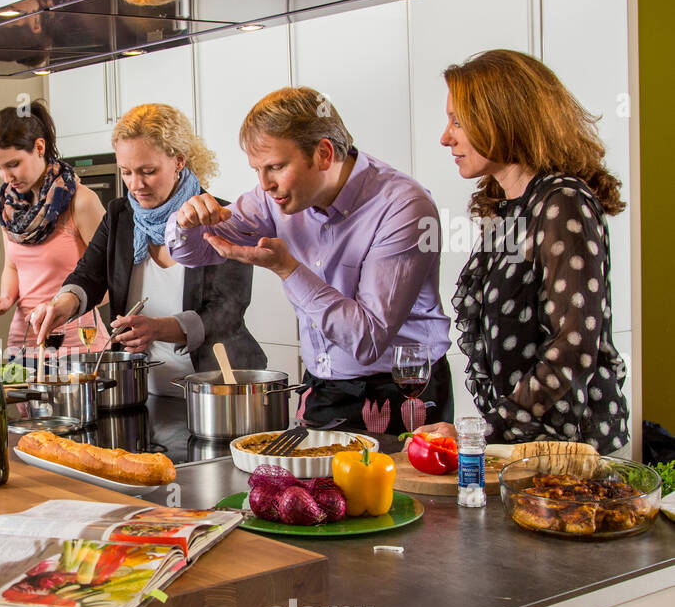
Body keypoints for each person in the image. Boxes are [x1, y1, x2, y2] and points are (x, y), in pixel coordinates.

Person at [165, 87, 452, 434]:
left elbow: (368, 339)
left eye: (275, 167)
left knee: (398, 490)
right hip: (323, 387)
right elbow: (195, 252)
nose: (265, 184)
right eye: (257, 170)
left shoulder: (404, 207)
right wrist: (184, 220)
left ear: (324, 154)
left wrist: (287, 269)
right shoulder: (274, 197)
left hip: (401, 392)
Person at [433, 49, 628, 450]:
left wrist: (486, 431)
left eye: (458, 121)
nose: (445, 136)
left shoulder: (562, 202)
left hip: (571, 456)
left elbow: (574, 346)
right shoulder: (512, 207)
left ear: (503, 118)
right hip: (526, 448)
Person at [29, 103, 265, 395]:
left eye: (148, 171)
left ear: (178, 161)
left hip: (217, 390)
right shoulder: (120, 215)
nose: (135, 185)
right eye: (126, 172)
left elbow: (227, 311)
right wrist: (60, 305)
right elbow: (88, 275)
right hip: (140, 390)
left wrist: (159, 328)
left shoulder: (219, 216)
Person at [0, 101, 107, 356]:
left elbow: (112, 278)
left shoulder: (81, 202)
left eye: (13, 164)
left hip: (77, 346)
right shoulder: (10, 209)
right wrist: (6, 298)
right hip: (22, 346)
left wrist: (64, 304)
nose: (7, 178)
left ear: (39, 147)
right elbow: (13, 266)